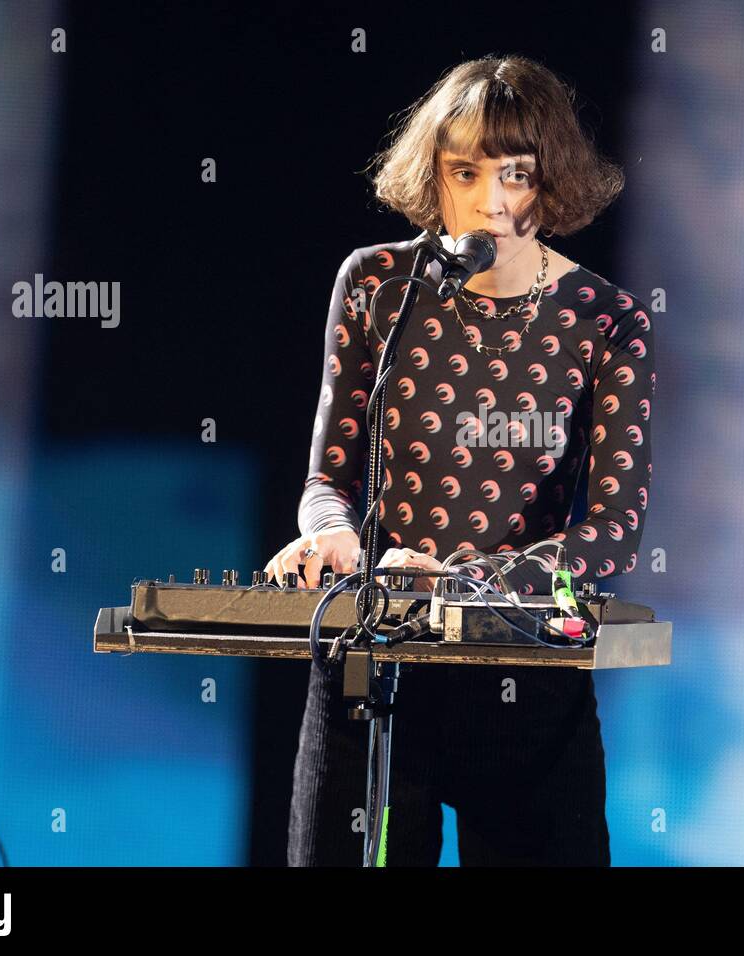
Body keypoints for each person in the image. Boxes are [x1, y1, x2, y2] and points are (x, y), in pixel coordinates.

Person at [268, 54, 655, 866]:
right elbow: (326, 481)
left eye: (514, 175)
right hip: (370, 667)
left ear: (550, 182)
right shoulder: (377, 283)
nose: (489, 202)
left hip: (526, 683)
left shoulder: (606, 318)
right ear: (433, 175)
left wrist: (462, 581)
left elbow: (612, 533)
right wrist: (332, 535)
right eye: (464, 172)